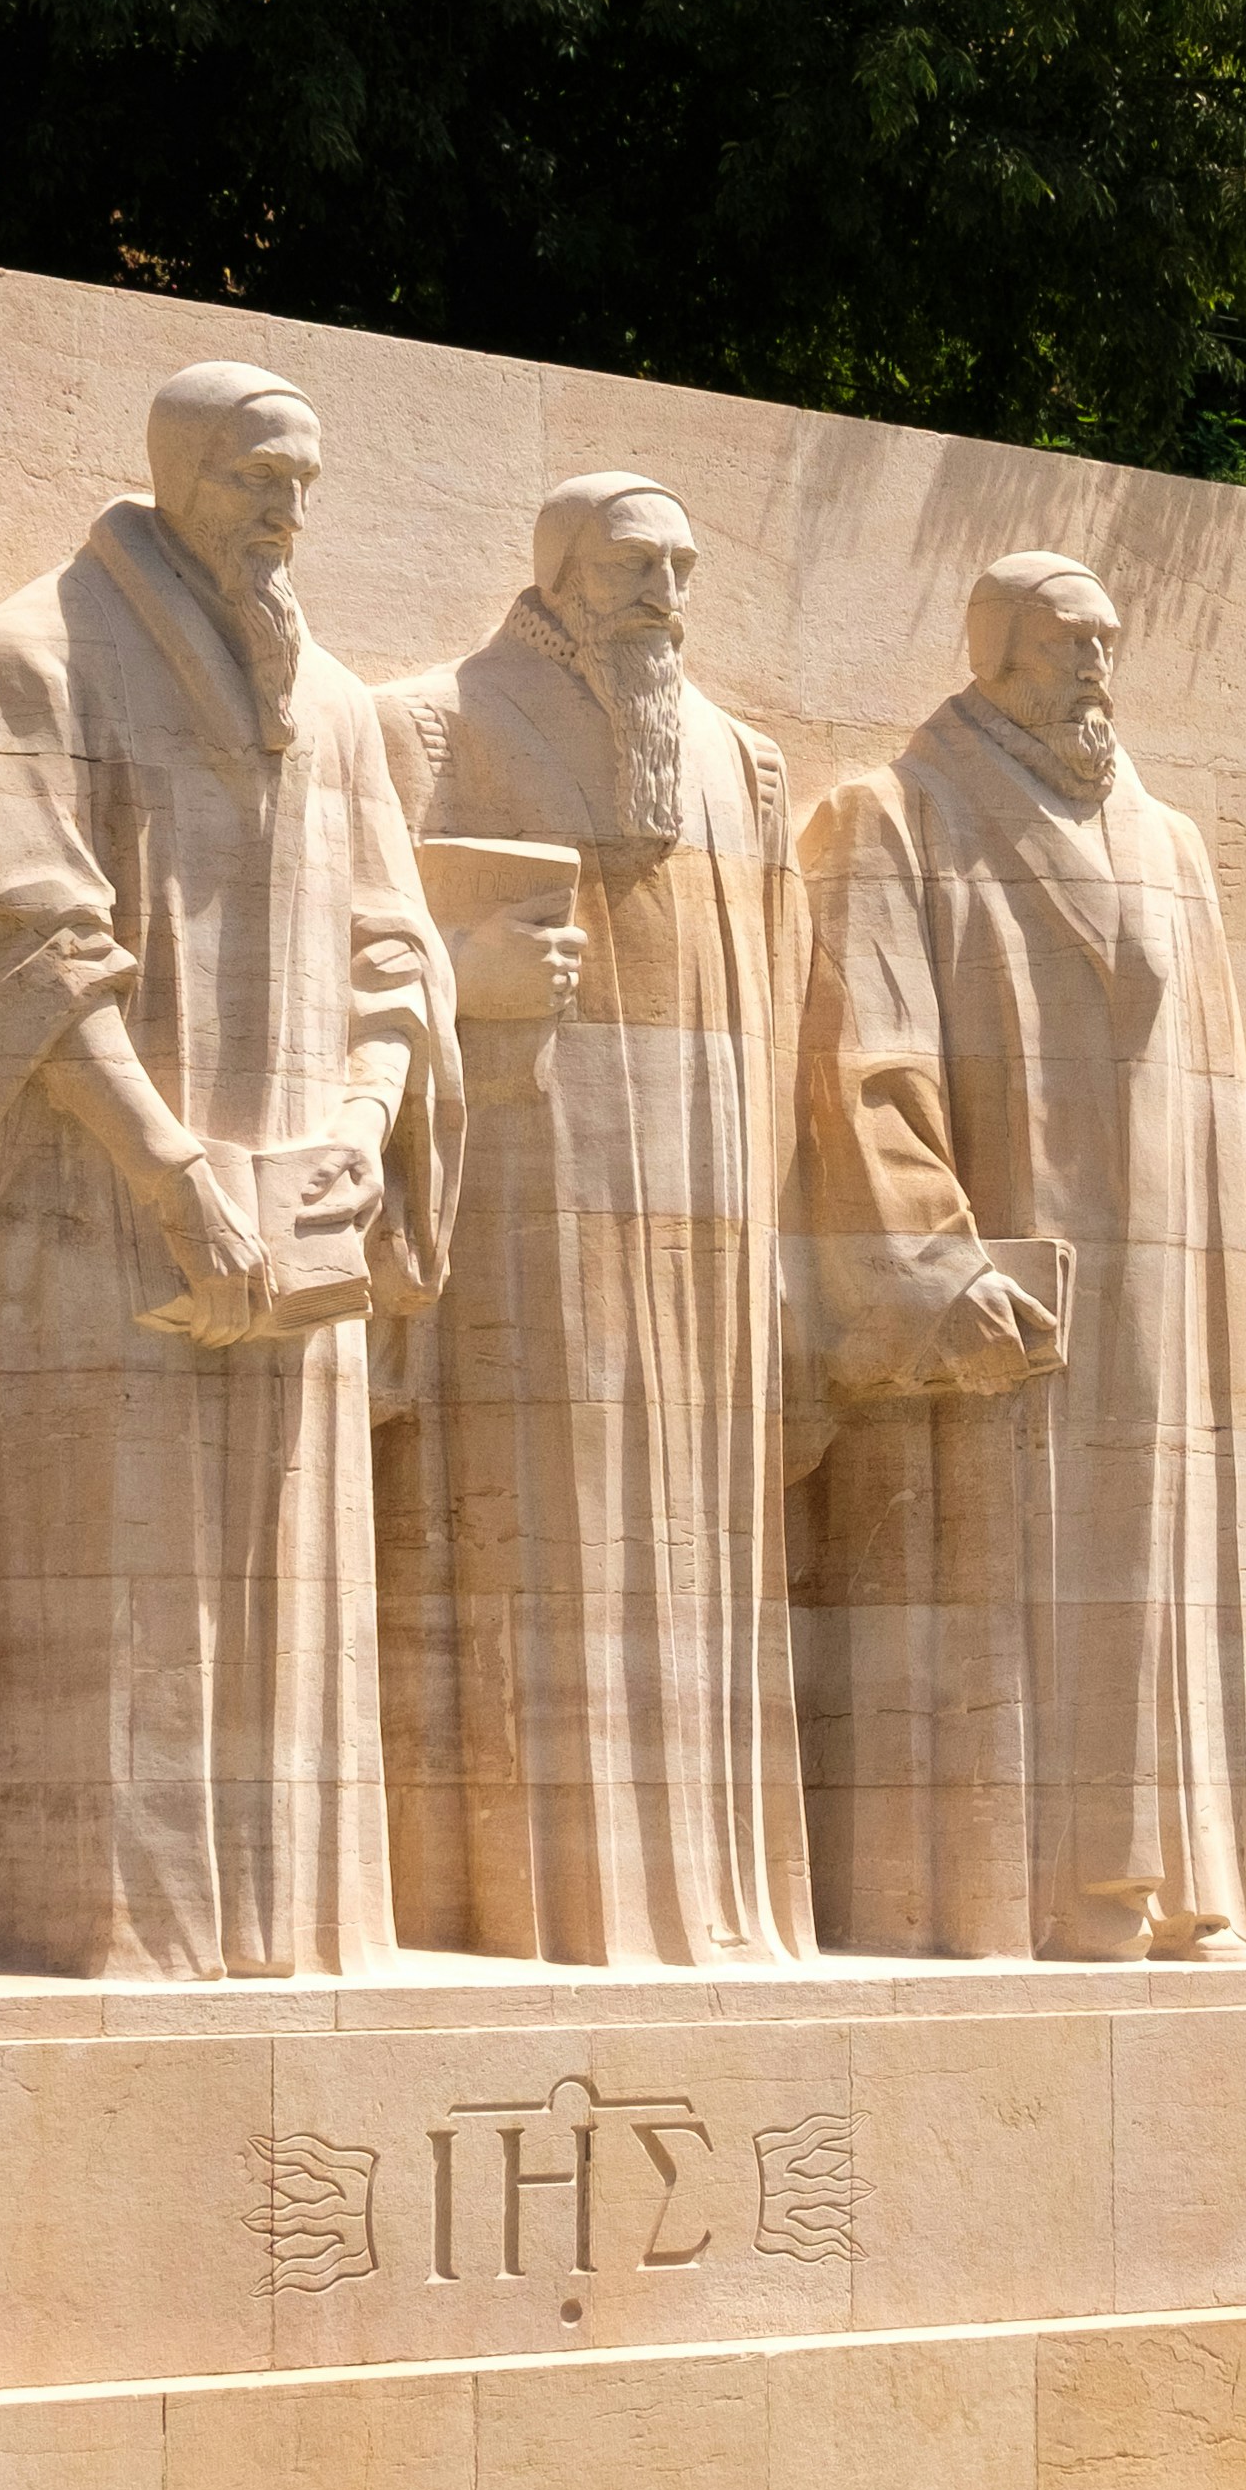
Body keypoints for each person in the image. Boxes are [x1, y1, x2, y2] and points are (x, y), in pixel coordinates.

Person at [0, 361, 463, 1977]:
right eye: (257, 474)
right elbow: (15, 943)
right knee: (109, 1627)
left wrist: (359, 1122)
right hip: (86, 1235)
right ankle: (102, 1935)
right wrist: (167, 1169)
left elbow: (396, 952)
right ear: (176, 468)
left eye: (300, 481)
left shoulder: (327, 703)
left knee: (281, 1608)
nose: (283, 509)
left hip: (297, 1227)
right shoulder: (26, 662)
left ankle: (289, 1939)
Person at [789, 551, 1246, 1961]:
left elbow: (1221, 1072)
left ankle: (1167, 1878)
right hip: (1012, 1280)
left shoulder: (1172, 842)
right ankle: (1034, 1894)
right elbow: (863, 1063)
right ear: (996, 648)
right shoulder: (897, 815)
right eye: (1067, 641)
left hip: (1162, 1275)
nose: (1094, 667)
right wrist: (931, 1260)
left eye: (1107, 641)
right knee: (1024, 1573)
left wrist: (1242, 1249)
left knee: (1156, 1566)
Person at [370, 473, 817, 1966]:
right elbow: (349, 954)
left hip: (704, 1217)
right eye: (630, 566)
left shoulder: (743, 765)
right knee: (536, 1515)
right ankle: (518, 1893)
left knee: (694, 1531)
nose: (661, 596)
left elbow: (785, 991)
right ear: (554, 573)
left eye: (680, 568)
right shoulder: (428, 724)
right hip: (522, 1189)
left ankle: (703, 1893)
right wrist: (460, 971)